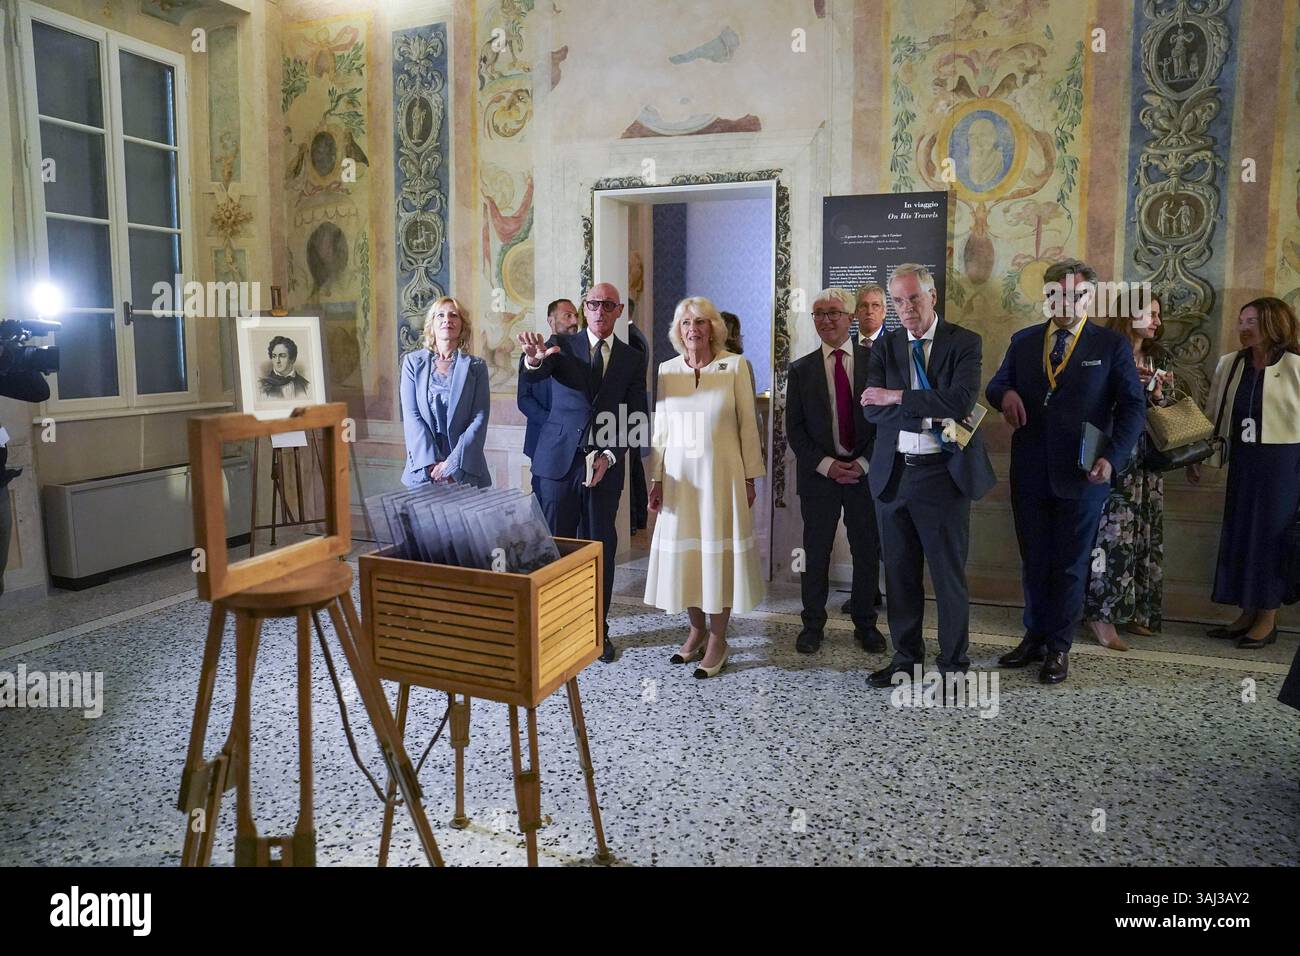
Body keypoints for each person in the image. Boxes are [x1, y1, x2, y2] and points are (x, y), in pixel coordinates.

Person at [986, 259, 1146, 684]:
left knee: (1071, 565)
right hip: (1031, 471)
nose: (1066, 301)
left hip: (1085, 473)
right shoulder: (1023, 341)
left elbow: (1133, 406)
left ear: (1089, 296)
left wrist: (1112, 457)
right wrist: (1005, 396)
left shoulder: (1110, 346)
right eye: (1057, 294)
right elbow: (995, 385)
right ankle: (1034, 637)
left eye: (1076, 294)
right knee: (1034, 560)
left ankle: (1059, 648)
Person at [861, 264, 996, 689]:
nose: (905, 309)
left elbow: (960, 401)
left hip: (943, 477)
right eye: (897, 301)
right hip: (895, 476)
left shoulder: (964, 342)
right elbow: (870, 407)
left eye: (913, 298)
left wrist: (898, 397)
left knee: (947, 576)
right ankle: (906, 660)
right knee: (899, 576)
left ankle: (954, 664)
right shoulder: (886, 346)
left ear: (932, 297)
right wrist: (926, 409)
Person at [517, 282, 649, 663]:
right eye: (593, 304)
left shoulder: (631, 357)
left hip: (603, 469)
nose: (600, 311)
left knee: (598, 550)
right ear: (584, 307)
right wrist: (533, 360)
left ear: (619, 310)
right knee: (551, 547)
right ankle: (551, 627)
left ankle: (596, 630)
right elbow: (537, 374)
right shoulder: (561, 344)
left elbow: (635, 417)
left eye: (608, 305)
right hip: (557, 464)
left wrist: (609, 454)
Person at [644, 297, 765, 678]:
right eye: (685, 324)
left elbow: (748, 424)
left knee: (717, 557)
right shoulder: (667, 370)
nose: (692, 330)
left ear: (714, 327)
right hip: (680, 482)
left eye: (700, 322)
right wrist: (656, 478)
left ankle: (719, 637)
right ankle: (696, 630)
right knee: (687, 558)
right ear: (677, 332)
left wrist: (749, 477)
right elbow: (661, 429)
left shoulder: (735, 366)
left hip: (721, 480)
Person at [1191, 297, 1300, 649]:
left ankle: (1267, 618)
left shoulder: (1297, 366)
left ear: (1273, 323)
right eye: (1241, 320)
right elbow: (1214, 412)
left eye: (1250, 320)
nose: (1242, 327)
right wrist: (1199, 457)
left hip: (1284, 465)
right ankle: (1247, 612)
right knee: (1242, 533)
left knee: (1270, 538)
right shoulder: (1231, 363)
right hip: (1244, 461)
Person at [785, 288, 884, 655]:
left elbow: (884, 422)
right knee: (815, 552)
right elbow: (794, 429)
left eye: (834, 313)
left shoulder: (876, 362)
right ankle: (812, 625)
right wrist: (828, 466)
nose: (826, 320)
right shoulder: (800, 369)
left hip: (865, 475)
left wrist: (861, 464)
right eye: (819, 313)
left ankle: (866, 624)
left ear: (850, 317)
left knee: (866, 551)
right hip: (819, 478)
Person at [1083, 293, 1175, 651]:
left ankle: (1133, 610)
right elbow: (1088, 401)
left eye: (1158, 314)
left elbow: (1163, 410)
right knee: (1111, 537)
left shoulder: (1158, 357)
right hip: (1111, 454)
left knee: (1141, 534)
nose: (1156, 321)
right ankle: (1100, 616)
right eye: (1150, 313)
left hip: (1146, 460)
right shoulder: (1103, 349)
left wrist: (1156, 393)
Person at [400, 296, 491, 488]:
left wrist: (452, 463)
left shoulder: (477, 366)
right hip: (424, 465)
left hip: (465, 465)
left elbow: (479, 418)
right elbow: (411, 415)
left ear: (462, 325)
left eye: (453, 315)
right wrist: (432, 462)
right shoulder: (412, 363)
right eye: (440, 315)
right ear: (431, 324)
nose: (447, 320)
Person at [841, 282, 888, 617]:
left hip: (886, 451)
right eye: (864, 306)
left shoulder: (898, 346)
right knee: (859, 533)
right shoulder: (844, 349)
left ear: (885, 311)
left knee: (883, 532)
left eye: (876, 305)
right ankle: (865, 594)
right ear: (855, 312)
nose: (869, 311)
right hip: (850, 455)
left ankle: (887, 591)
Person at [518, 298, 580, 495]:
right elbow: (524, 400)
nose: (574, 321)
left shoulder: (584, 357)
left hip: (578, 447)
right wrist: (554, 425)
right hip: (542, 443)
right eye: (567, 316)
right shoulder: (534, 356)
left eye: (576, 316)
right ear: (551, 321)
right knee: (545, 509)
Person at [626, 319, 651, 534]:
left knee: (631, 465)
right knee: (634, 466)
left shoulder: (631, 338)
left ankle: (633, 520)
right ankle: (639, 518)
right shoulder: (636, 334)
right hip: (633, 413)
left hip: (629, 413)